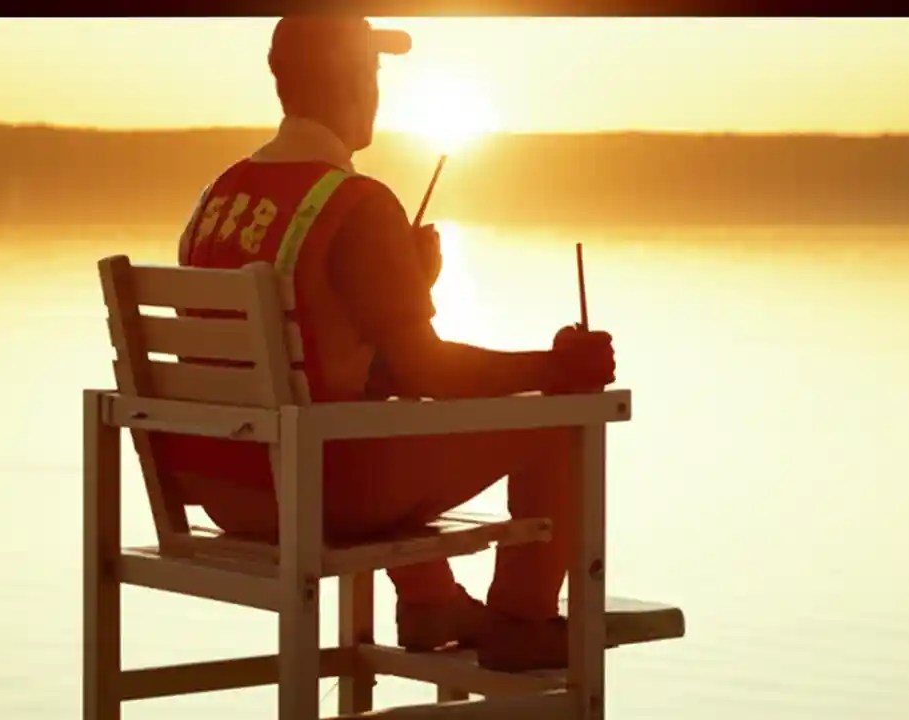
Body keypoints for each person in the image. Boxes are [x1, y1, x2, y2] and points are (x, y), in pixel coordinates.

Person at [155, 16, 616, 672]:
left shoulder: (216, 198)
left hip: (226, 494)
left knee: (388, 420)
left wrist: (408, 281)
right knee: (557, 422)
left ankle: (432, 601)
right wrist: (558, 366)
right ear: (347, 78)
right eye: (371, 74)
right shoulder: (355, 203)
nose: (377, 92)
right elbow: (431, 371)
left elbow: (323, 359)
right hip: (319, 495)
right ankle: (524, 618)